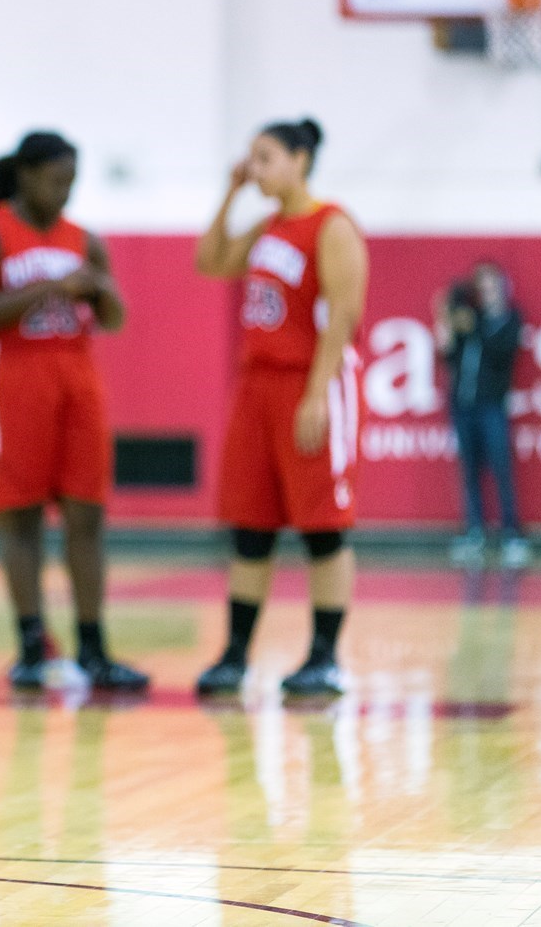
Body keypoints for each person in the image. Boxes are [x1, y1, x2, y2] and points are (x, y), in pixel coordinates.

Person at [0, 133, 149, 693]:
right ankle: (31, 646)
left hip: (76, 376)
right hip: (13, 378)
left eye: (72, 182)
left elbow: (113, 319)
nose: (65, 193)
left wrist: (100, 290)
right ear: (26, 177)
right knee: (20, 520)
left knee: (86, 516)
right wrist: (50, 288)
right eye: (56, 180)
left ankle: (94, 647)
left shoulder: (85, 239)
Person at [193, 118, 369, 698]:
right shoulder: (267, 227)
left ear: (300, 159)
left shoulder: (332, 224)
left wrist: (317, 394)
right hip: (256, 389)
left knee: (322, 528)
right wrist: (229, 192)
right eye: (252, 158)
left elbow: (342, 317)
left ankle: (323, 657)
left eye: (265, 158)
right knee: (251, 527)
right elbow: (211, 262)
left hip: (309, 383)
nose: (256, 168)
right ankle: (235, 655)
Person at [434, 262, 528, 570]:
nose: (485, 291)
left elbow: (501, 352)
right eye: (481, 285)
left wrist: (470, 325)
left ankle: (512, 534)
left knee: (501, 468)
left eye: (491, 284)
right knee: (469, 470)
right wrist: (444, 322)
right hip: (463, 405)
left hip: (492, 406)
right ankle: (474, 532)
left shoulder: (509, 320)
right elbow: (449, 356)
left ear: (501, 287)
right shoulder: (469, 320)